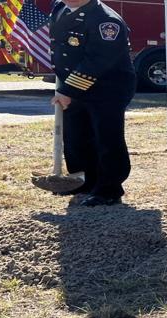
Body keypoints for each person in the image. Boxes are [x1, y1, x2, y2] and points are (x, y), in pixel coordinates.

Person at [49, 0, 135, 207]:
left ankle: (109, 189)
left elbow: (98, 62)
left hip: (107, 88)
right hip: (74, 83)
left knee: (106, 138)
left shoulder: (106, 21)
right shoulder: (60, 7)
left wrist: (67, 90)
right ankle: (84, 182)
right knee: (76, 137)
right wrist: (64, 85)